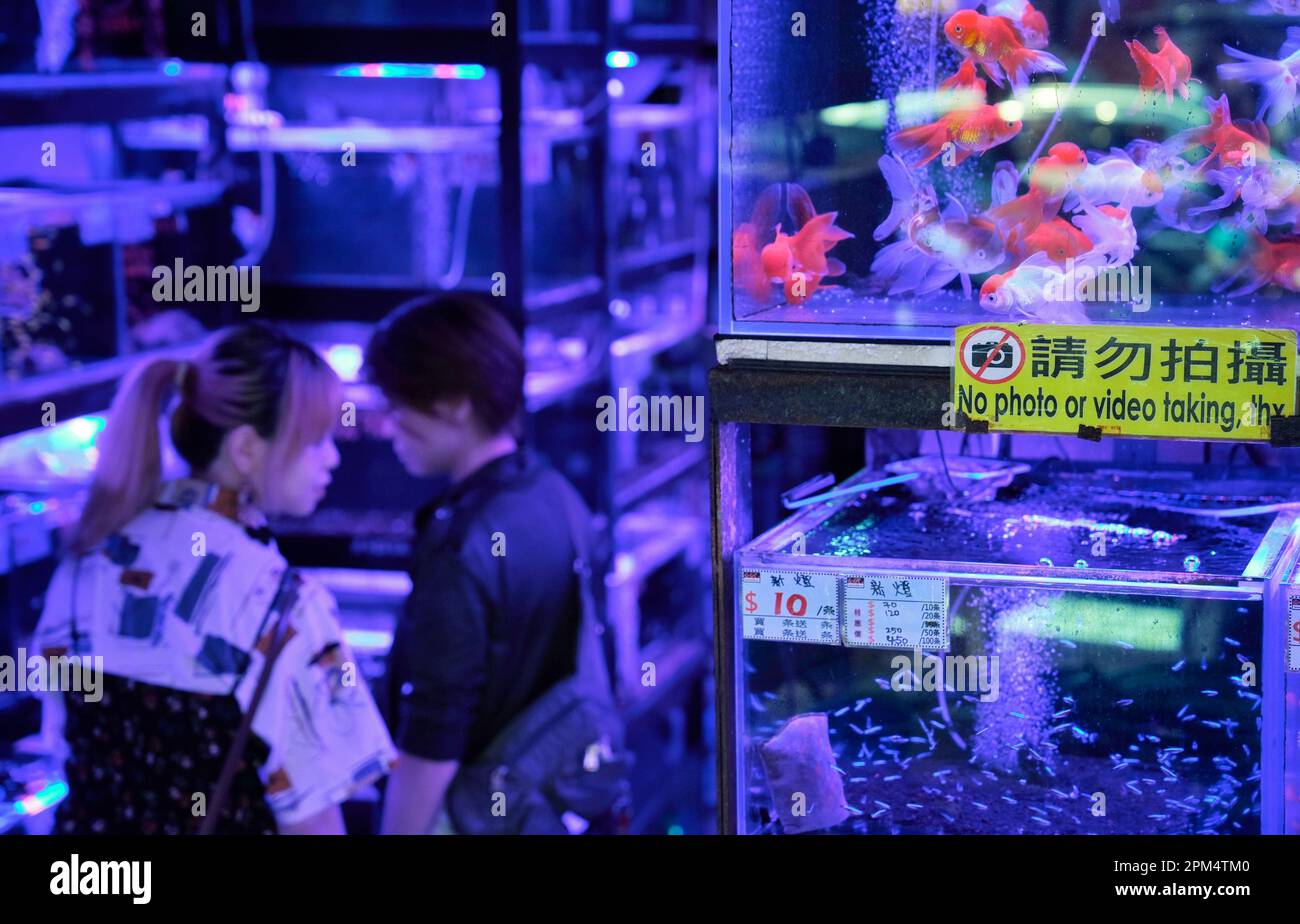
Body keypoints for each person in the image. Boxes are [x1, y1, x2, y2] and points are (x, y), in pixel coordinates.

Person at [34, 323, 396, 835]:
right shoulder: (282, 606)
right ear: (247, 448)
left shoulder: (84, 557)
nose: (333, 460)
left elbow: (56, 733)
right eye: (316, 442)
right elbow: (312, 820)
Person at [365, 293, 605, 835]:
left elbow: (435, 726)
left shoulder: (461, 544)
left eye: (396, 401)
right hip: (548, 801)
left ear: (453, 402)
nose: (387, 424)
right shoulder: (555, 494)